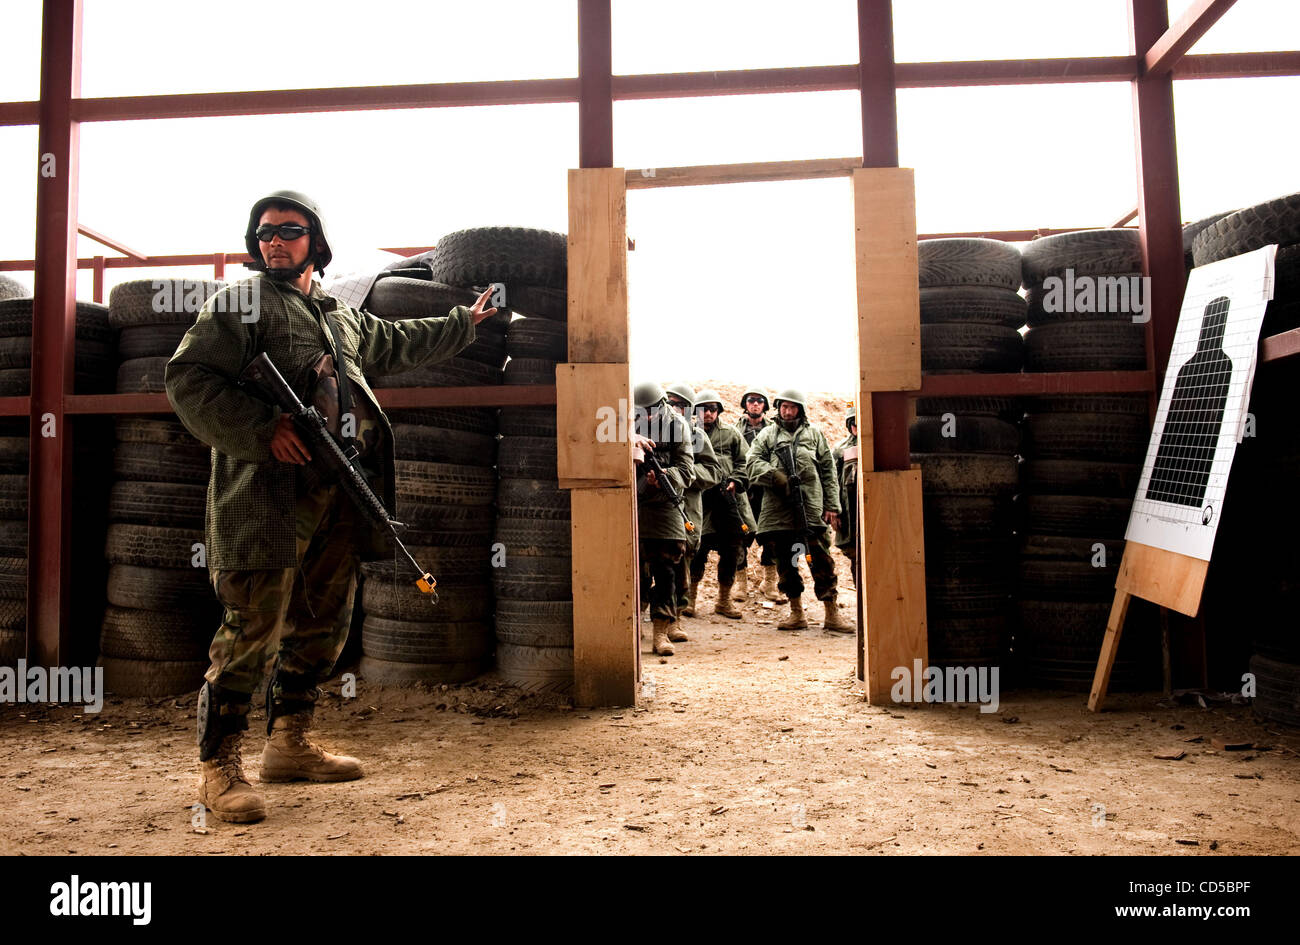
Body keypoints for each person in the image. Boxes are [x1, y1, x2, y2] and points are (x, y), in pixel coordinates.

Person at [165, 190, 499, 823]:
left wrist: (464, 323)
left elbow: (396, 341)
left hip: (337, 495)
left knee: (325, 621)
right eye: (263, 233)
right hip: (263, 498)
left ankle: (289, 744)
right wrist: (264, 427)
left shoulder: (336, 314)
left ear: (315, 241)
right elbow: (187, 380)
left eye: (288, 230)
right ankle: (217, 767)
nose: (273, 241)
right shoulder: (238, 303)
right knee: (252, 629)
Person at [745, 389, 854, 633]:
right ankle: (796, 612)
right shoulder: (767, 435)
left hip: (811, 510)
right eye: (783, 406)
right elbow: (751, 463)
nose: (787, 411)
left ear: (800, 409)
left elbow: (828, 471)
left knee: (821, 561)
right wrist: (776, 477)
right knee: (787, 562)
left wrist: (832, 506)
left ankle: (831, 613)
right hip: (778, 513)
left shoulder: (814, 434)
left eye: (792, 407)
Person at [631, 382, 695, 656]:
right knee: (635, 574)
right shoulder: (624, 420)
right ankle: (633, 628)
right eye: (641, 412)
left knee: (666, 571)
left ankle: (660, 632)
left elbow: (687, 470)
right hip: (633, 504)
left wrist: (665, 476)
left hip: (667, 508)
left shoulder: (678, 425)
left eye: (652, 412)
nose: (647, 417)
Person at [688, 389, 751, 619]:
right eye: (703, 409)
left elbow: (746, 460)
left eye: (712, 409)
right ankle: (690, 600)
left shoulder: (731, 433)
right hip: (702, 502)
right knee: (697, 550)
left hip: (728, 502)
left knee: (731, 551)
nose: (708, 414)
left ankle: (724, 601)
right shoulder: (689, 434)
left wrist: (736, 479)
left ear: (718, 411)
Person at [664, 382, 720, 620]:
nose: (674, 409)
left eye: (680, 405)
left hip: (686, 507)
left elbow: (713, 472)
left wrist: (682, 473)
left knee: (681, 565)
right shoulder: (651, 431)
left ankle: (675, 618)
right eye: (670, 403)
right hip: (654, 510)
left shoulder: (698, 436)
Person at [833, 406, 860, 590]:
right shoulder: (840, 450)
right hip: (849, 514)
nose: (858, 428)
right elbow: (832, 482)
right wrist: (833, 510)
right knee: (855, 559)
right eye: (855, 424)